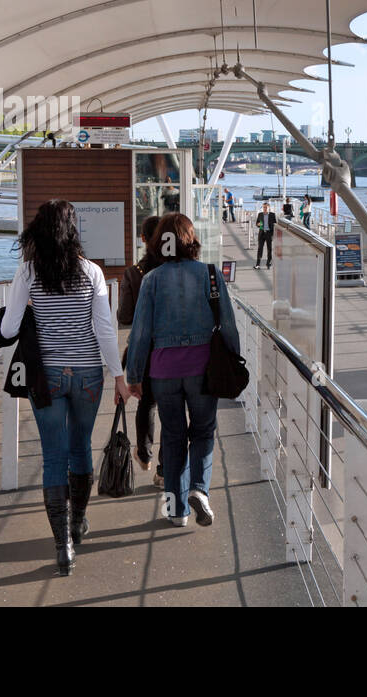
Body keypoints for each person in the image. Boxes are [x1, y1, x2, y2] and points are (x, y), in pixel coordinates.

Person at [0, 200, 129, 576]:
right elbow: (104, 330)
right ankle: (79, 521)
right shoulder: (91, 272)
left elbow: (8, 329)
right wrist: (118, 376)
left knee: (53, 457)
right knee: (80, 449)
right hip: (89, 374)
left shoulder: (28, 272)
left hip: (48, 375)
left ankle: (62, 546)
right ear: (74, 231)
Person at [125, 213, 240, 528]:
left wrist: (133, 377)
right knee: (203, 431)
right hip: (203, 369)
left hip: (163, 372)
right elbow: (228, 326)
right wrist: (235, 365)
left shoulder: (151, 280)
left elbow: (140, 334)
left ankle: (176, 512)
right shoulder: (211, 275)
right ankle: (199, 490)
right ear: (191, 240)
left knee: (173, 437)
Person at [118, 214, 164, 488]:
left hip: (143, 350)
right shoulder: (175, 270)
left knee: (146, 402)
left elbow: (124, 316)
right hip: (173, 351)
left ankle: (144, 454)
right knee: (171, 411)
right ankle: (163, 472)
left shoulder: (135, 272)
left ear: (144, 239)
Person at [254, 201, 276, 269]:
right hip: (261, 234)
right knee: (260, 249)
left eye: (266, 207)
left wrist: (273, 234)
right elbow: (257, 223)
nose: (265, 208)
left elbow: (275, 224)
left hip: (269, 234)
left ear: (269, 207)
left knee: (269, 249)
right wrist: (258, 224)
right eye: (264, 207)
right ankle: (258, 264)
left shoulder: (272, 215)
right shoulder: (260, 214)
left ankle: (268, 263)